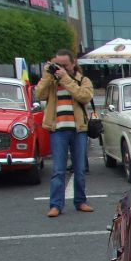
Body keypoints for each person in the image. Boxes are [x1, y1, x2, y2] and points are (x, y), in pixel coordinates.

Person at [35, 49, 94, 217]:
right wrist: (47, 75)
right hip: (58, 130)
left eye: (64, 65)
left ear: (73, 63)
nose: (61, 68)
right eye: (57, 65)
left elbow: (84, 96)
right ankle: (55, 205)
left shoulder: (83, 80)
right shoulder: (51, 83)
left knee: (80, 169)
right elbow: (38, 94)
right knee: (58, 170)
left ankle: (80, 201)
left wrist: (66, 79)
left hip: (78, 129)